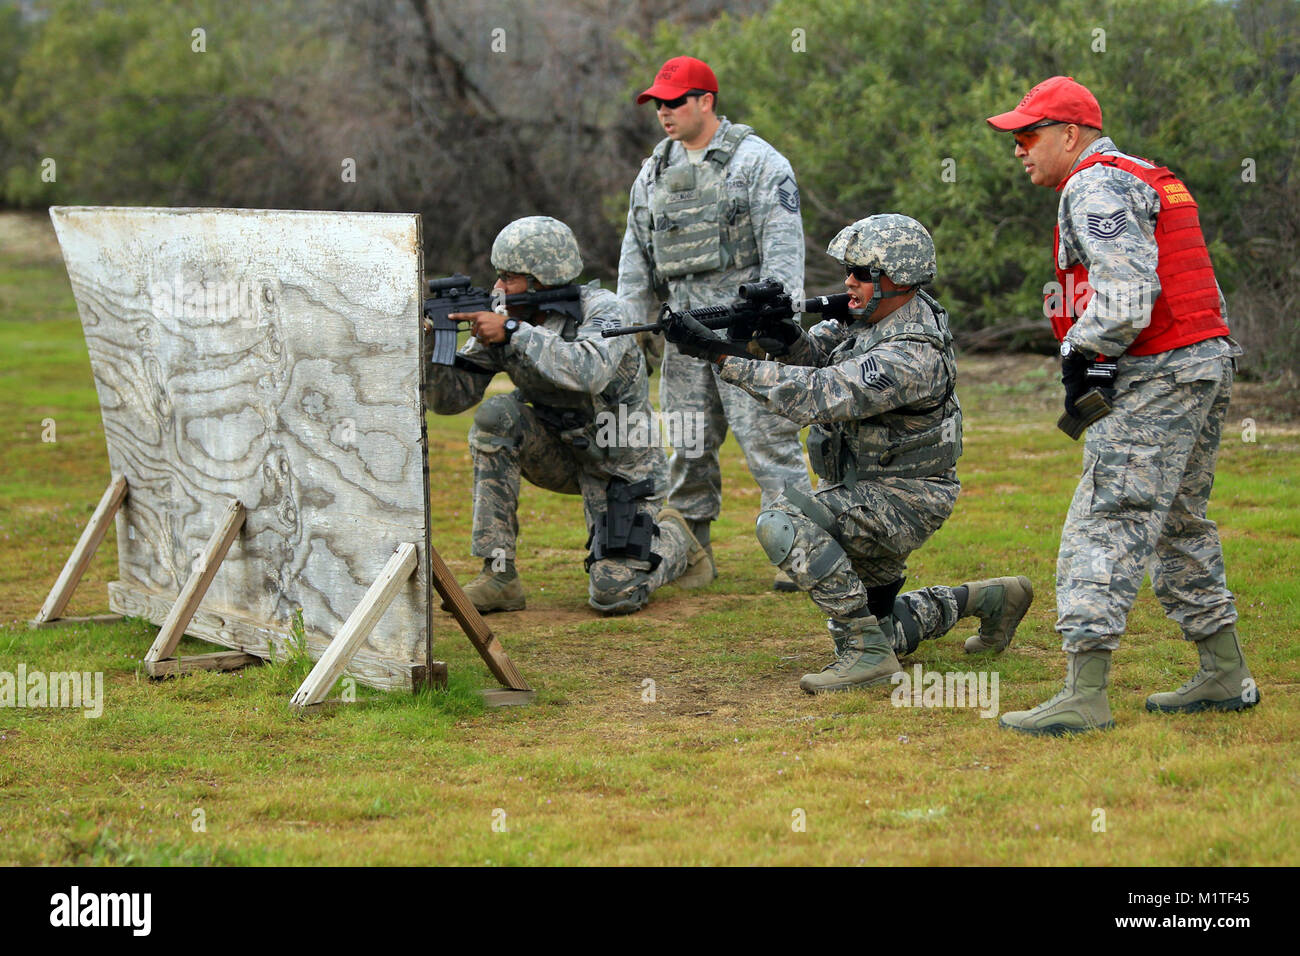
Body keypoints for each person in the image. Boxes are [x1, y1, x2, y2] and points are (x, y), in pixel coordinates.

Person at [986, 76, 1259, 735]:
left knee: (1104, 521)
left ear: (1070, 134)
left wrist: (1080, 351)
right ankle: (1224, 671)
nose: (1018, 149)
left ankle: (1085, 693)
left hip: (1159, 369)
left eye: (1028, 135)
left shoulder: (1095, 183)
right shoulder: (1147, 175)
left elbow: (1129, 293)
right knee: (1179, 522)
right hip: (1201, 363)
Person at [661, 214, 1034, 693]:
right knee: (889, 628)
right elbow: (817, 361)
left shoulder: (912, 350)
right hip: (865, 488)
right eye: (848, 271)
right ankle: (988, 598)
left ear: (896, 278)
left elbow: (819, 394)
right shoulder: (869, 320)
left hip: (904, 498)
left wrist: (720, 357)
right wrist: (785, 339)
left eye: (861, 272)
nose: (848, 281)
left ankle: (867, 656)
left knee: (781, 523)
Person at [425, 216, 709, 616]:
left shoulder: (607, 310)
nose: (498, 288)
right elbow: (450, 401)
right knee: (496, 416)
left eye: (509, 278)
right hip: (559, 453)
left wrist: (513, 331)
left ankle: (678, 539)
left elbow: (588, 372)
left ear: (543, 278)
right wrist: (430, 341)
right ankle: (499, 574)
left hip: (621, 467)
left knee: (612, 593)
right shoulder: (506, 315)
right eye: (498, 277)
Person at [617, 54, 812, 591]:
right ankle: (691, 549)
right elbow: (636, 254)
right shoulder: (654, 169)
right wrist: (632, 328)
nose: (663, 112)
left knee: (769, 442)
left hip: (744, 331)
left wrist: (777, 325)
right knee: (687, 444)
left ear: (707, 100)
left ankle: (801, 551)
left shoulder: (758, 163)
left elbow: (783, 253)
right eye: (657, 102)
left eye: (674, 101)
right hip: (683, 332)